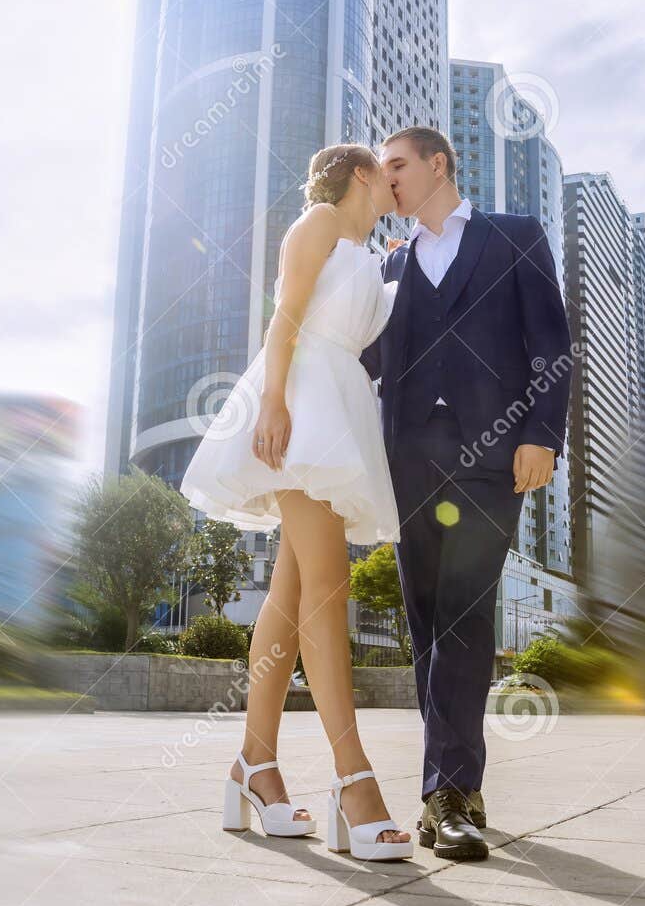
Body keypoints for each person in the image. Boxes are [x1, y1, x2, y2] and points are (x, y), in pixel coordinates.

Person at [180, 143, 412, 862]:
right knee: (327, 589)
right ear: (362, 176)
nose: (396, 181)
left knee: (289, 596)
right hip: (302, 403)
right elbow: (283, 318)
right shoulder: (315, 221)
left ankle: (255, 768)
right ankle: (354, 780)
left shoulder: (369, 250)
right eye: (388, 169)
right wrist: (274, 403)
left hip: (341, 403)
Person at [361, 126, 573, 862]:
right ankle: (448, 791)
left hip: (492, 455)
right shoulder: (389, 261)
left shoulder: (513, 235)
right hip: (407, 459)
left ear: (436, 164)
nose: (385, 179)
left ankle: (449, 791)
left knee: (464, 610)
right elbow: (366, 360)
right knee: (426, 619)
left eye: (395, 165)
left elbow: (550, 342)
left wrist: (542, 433)